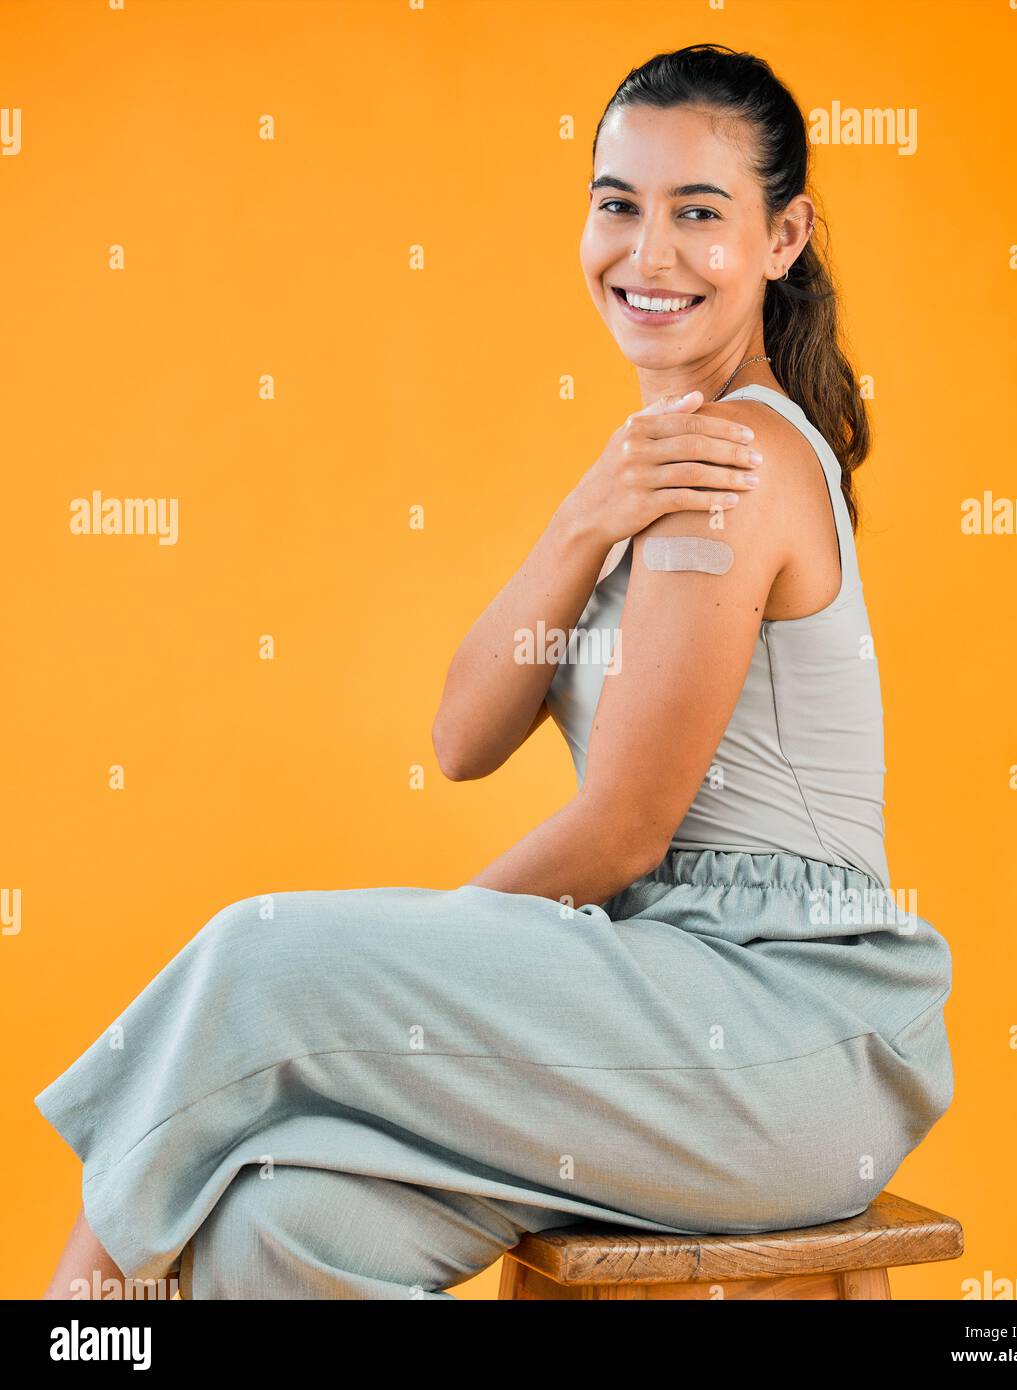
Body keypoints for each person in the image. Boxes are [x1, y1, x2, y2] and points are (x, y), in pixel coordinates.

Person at [37, 43, 952, 1301]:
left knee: (264, 957)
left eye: (699, 213)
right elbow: (464, 732)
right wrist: (580, 519)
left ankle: (72, 1311)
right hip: (642, 1018)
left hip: (782, 1030)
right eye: (617, 202)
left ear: (783, 235)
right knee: (289, 1223)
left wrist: (404, 969)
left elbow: (626, 829)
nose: (649, 251)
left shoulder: (733, 470)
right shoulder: (650, 468)